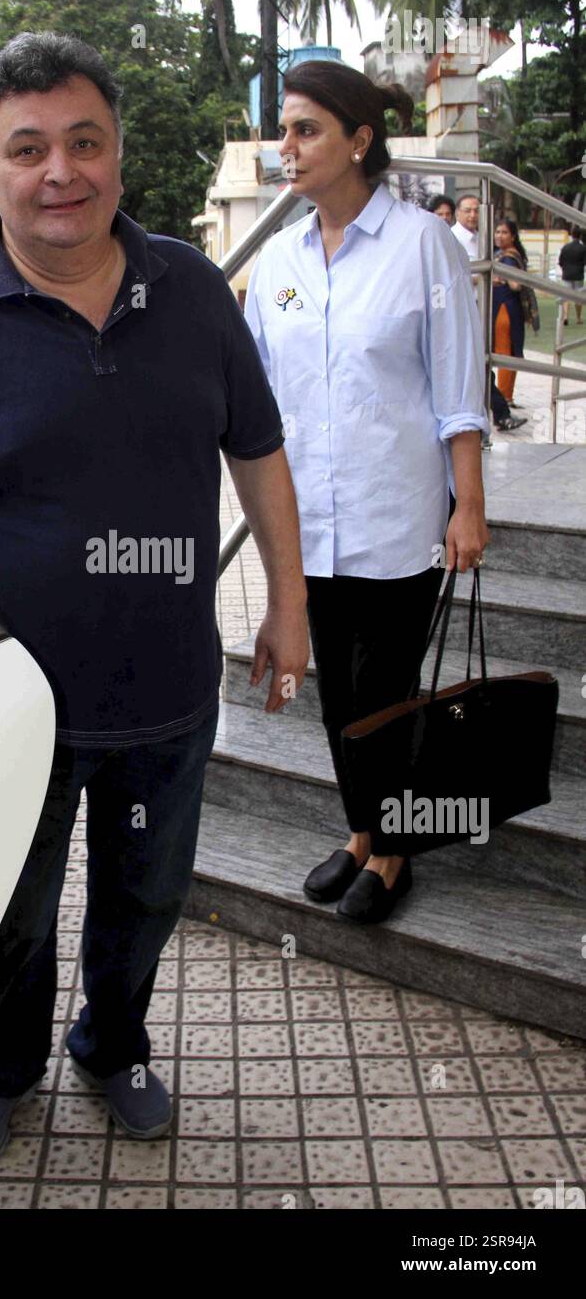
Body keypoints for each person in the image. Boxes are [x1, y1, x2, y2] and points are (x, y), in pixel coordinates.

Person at [0, 31, 309, 1174]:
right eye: (27, 148)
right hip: (8, 708)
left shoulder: (187, 286)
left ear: (120, 158)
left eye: (85, 143)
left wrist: (289, 601)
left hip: (170, 692)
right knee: (9, 914)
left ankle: (115, 1042)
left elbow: (262, 449)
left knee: (146, 894)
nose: (60, 172)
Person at [244, 60, 490, 925]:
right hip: (307, 521)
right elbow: (256, 401)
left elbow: (457, 384)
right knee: (335, 693)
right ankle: (360, 831)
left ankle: (392, 851)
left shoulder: (424, 243)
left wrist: (468, 503)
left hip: (398, 516)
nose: (288, 147)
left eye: (306, 130)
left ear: (358, 140)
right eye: (285, 129)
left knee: (381, 686)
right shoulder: (278, 258)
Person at [449, 196, 525, 432]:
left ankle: (490, 415)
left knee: (479, 363)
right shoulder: (451, 237)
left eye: (476, 211)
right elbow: (450, 272)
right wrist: (483, 277)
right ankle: (499, 414)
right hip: (458, 310)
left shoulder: (480, 240)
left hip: (478, 309)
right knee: (476, 364)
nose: (472, 215)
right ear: (458, 213)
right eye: (467, 211)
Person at [493, 218, 530, 409]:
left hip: (505, 309)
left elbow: (516, 285)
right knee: (511, 352)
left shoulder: (507, 258)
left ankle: (504, 397)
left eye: (504, 232)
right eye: (497, 232)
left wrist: (503, 278)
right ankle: (507, 396)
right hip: (509, 308)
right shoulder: (509, 255)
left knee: (504, 353)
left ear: (513, 236)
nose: (499, 236)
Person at [558, 225, 585, 326]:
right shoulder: (583, 248)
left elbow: (560, 261)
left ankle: (565, 317)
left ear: (571, 235)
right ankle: (578, 318)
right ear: (580, 236)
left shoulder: (565, 247)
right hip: (578, 274)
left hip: (567, 274)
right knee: (578, 297)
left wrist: (565, 268)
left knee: (566, 296)